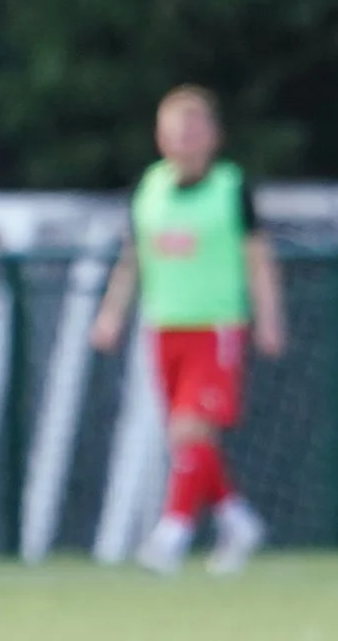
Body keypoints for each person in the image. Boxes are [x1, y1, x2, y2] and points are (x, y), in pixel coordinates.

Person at [89, 85, 285, 574]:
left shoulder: (231, 189)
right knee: (190, 441)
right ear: (160, 138)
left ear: (214, 137)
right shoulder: (150, 189)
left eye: (194, 131)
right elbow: (133, 258)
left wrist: (269, 317)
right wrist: (112, 313)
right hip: (165, 327)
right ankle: (237, 519)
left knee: (190, 427)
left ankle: (171, 533)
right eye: (176, 132)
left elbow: (259, 259)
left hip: (216, 326)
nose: (185, 141)